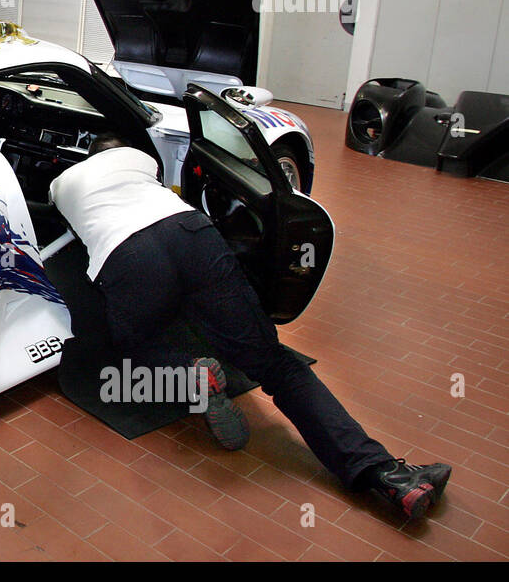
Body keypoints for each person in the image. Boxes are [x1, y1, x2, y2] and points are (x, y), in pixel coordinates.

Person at [48, 134, 453, 521]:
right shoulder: (141, 160)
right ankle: (387, 476)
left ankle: (187, 376)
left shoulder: (62, 184)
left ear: (90, 157)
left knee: (135, 345)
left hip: (126, 255)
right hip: (191, 234)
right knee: (276, 364)